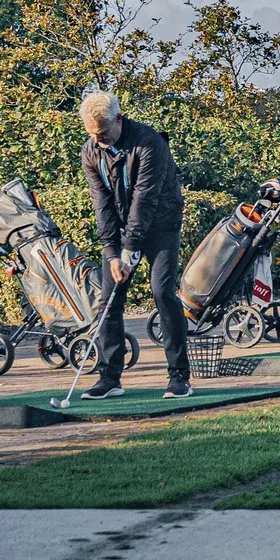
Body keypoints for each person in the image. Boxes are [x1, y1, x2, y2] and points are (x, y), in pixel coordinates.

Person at [77, 89, 192, 400]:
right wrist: (113, 253)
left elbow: (145, 197)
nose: (98, 139)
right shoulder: (91, 152)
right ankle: (109, 377)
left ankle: (179, 376)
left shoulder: (149, 142)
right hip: (121, 231)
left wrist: (130, 249)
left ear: (118, 119)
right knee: (109, 300)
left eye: (102, 132)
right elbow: (101, 204)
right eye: (92, 134)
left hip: (162, 223)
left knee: (162, 292)